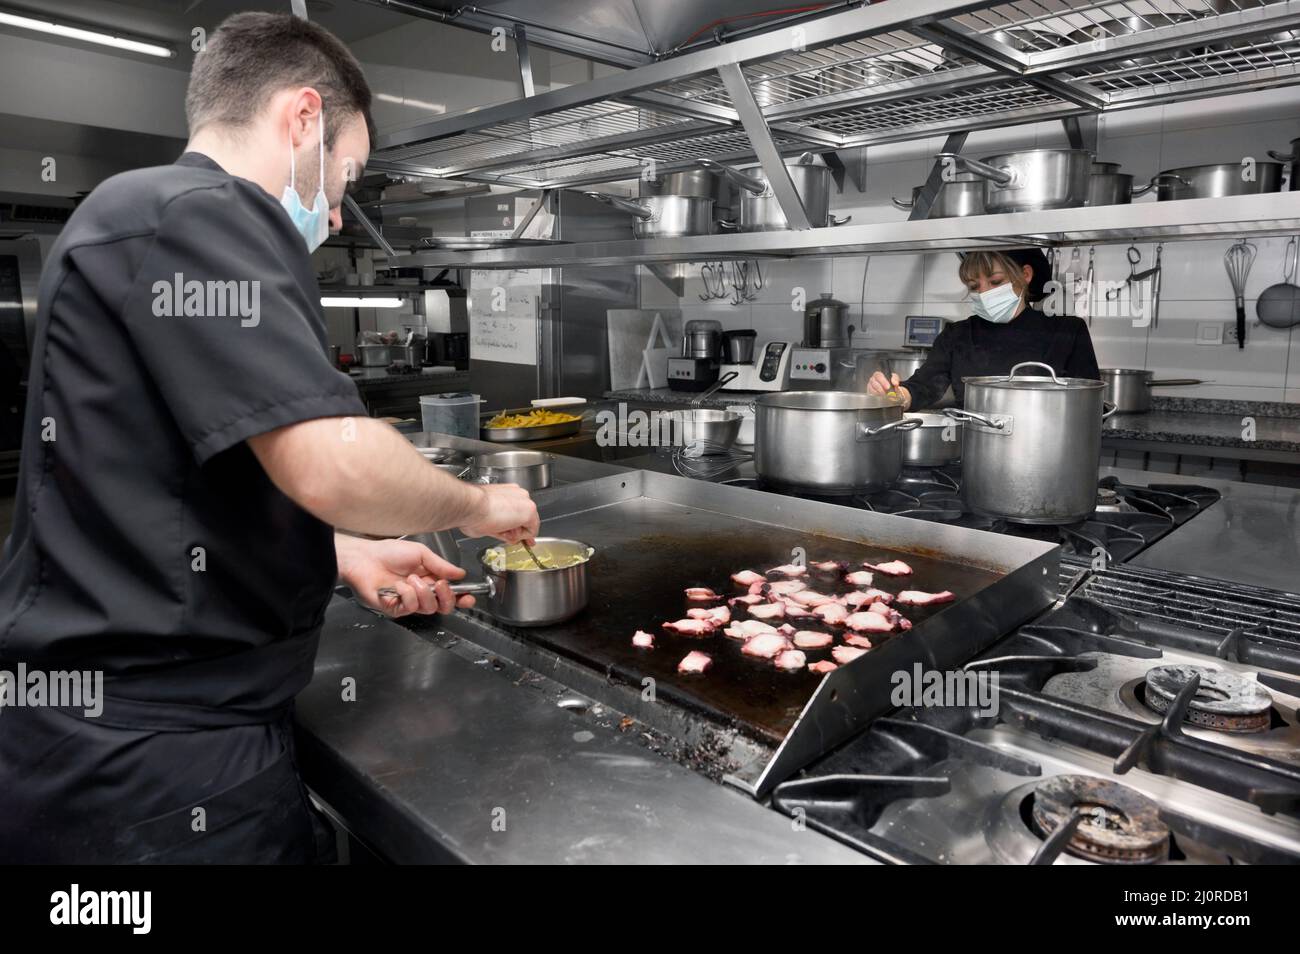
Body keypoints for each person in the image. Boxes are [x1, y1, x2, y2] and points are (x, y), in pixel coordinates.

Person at [0, 12, 538, 863]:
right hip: (160, 764)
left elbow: (171, 484)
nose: (332, 211)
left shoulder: (137, 217)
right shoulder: (201, 211)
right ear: (302, 119)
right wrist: (479, 504)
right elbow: (332, 462)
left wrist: (337, 555)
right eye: (344, 176)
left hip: (106, 745)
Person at [867, 248, 1100, 409]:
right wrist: (897, 396)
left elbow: (1090, 408)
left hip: (1044, 454)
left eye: (996, 282)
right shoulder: (957, 336)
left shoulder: (1067, 333)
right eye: (974, 286)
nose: (985, 293)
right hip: (975, 453)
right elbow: (924, 387)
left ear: (1025, 275)